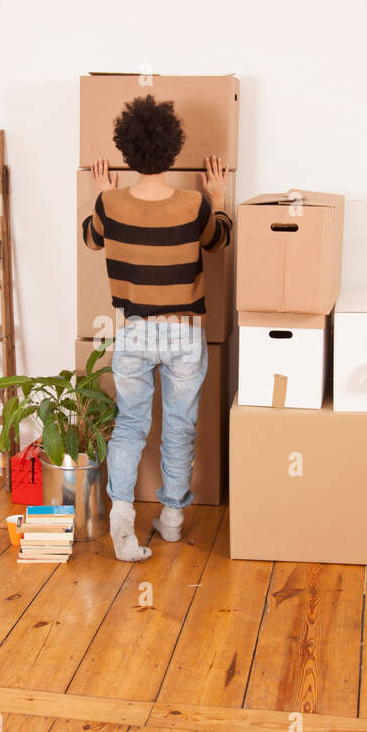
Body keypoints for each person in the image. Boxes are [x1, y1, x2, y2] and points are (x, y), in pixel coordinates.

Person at [82, 93, 232, 561]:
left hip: (135, 333)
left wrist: (98, 194)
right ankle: (170, 520)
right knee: (180, 427)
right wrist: (218, 200)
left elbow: (90, 237)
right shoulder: (193, 205)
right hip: (184, 333)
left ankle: (122, 522)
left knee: (129, 426)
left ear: (127, 151)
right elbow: (220, 239)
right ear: (173, 150)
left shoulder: (109, 204)